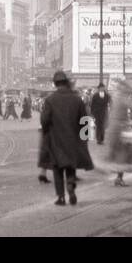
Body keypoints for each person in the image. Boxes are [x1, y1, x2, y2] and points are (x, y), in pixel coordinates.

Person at [39, 71, 92, 205]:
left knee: (57, 168)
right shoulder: (77, 99)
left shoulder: (50, 100)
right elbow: (85, 120)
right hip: (73, 140)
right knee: (70, 166)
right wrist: (84, 139)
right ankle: (71, 185)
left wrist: (46, 132)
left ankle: (61, 197)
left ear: (56, 83)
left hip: (56, 140)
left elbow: (44, 120)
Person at [102, 79, 132, 186]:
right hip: (121, 129)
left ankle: (114, 172)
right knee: (124, 152)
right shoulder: (124, 98)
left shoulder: (115, 97)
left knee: (115, 151)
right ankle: (119, 177)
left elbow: (110, 114)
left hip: (113, 128)